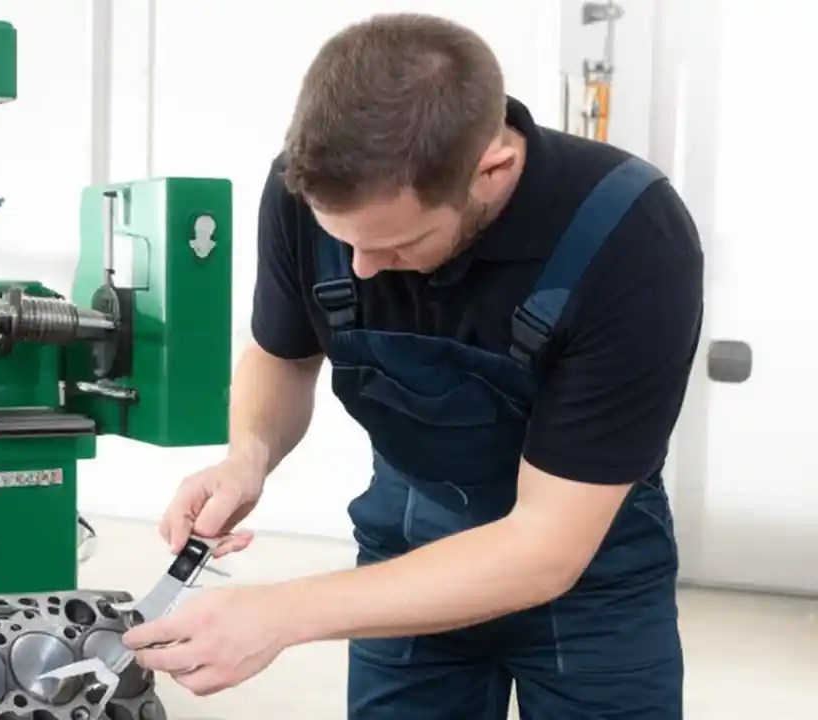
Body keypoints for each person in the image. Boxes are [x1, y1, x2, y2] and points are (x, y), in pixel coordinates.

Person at [121, 12, 703, 719]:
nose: (363, 268)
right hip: (406, 544)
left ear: (493, 168)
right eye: (346, 243)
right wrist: (250, 455)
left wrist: (281, 613)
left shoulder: (632, 238)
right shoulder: (308, 192)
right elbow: (283, 354)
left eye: (397, 244)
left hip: (589, 577)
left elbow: (547, 547)